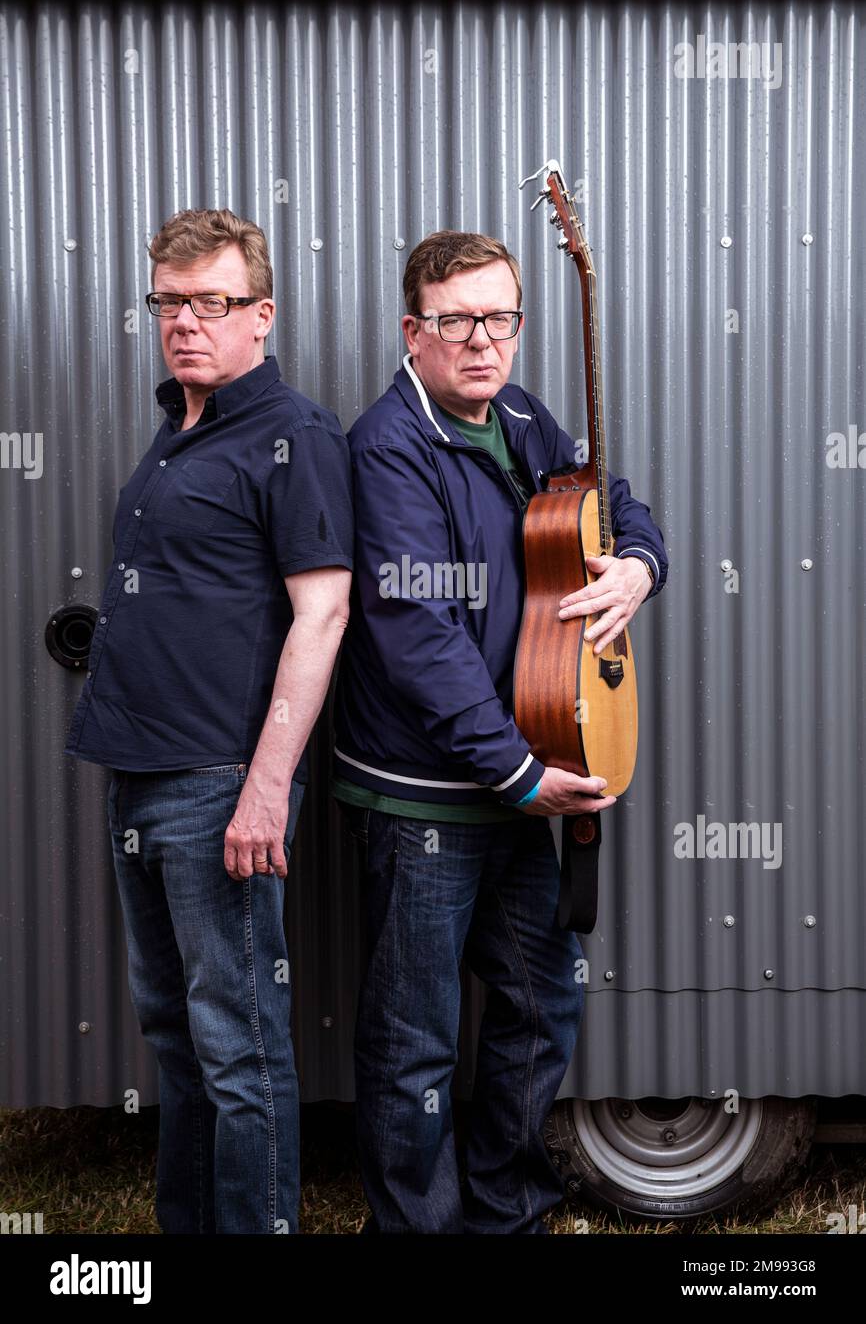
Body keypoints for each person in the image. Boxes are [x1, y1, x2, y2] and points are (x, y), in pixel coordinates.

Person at [333, 229, 667, 1234]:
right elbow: (415, 638)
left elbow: (605, 497)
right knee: (415, 1041)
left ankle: (508, 1214)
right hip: (426, 796)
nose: (482, 341)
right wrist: (519, 772)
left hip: (534, 773)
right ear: (413, 330)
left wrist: (639, 564)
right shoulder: (385, 448)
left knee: (537, 1009)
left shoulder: (520, 414)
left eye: (500, 318)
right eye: (456, 320)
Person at [64, 208, 353, 1234]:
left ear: (260, 314)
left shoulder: (294, 435)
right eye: (169, 301)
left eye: (212, 301)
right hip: (137, 773)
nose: (186, 321)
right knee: (175, 1034)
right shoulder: (179, 426)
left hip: (218, 782)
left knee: (239, 1044)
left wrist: (265, 785)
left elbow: (321, 615)